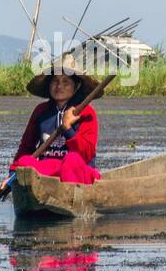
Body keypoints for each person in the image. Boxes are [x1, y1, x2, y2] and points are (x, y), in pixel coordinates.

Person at [10, 56, 102, 185]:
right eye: (55, 81)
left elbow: (87, 154)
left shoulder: (86, 112)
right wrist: (11, 176)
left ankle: (68, 198)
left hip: (78, 172)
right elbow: (26, 147)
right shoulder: (40, 111)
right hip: (47, 170)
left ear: (75, 86)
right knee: (25, 161)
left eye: (65, 82)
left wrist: (68, 129)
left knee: (72, 160)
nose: (59, 86)